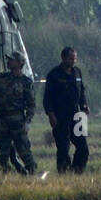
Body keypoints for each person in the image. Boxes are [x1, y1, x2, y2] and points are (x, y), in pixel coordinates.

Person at [43, 46, 89, 174]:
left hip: (78, 115)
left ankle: (77, 170)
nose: (73, 61)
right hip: (60, 116)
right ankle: (64, 172)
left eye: (75, 59)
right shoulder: (54, 74)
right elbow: (47, 98)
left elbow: (82, 92)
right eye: (70, 58)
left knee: (83, 147)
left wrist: (84, 105)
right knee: (63, 148)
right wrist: (51, 115)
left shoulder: (77, 72)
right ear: (63, 58)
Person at [0, 51, 38, 175]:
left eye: (12, 60)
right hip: (3, 119)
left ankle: (31, 171)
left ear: (20, 63)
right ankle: (6, 173)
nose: (8, 62)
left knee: (24, 150)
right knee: (3, 152)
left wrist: (28, 121)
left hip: (18, 120)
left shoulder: (26, 82)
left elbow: (31, 104)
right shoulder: (1, 78)